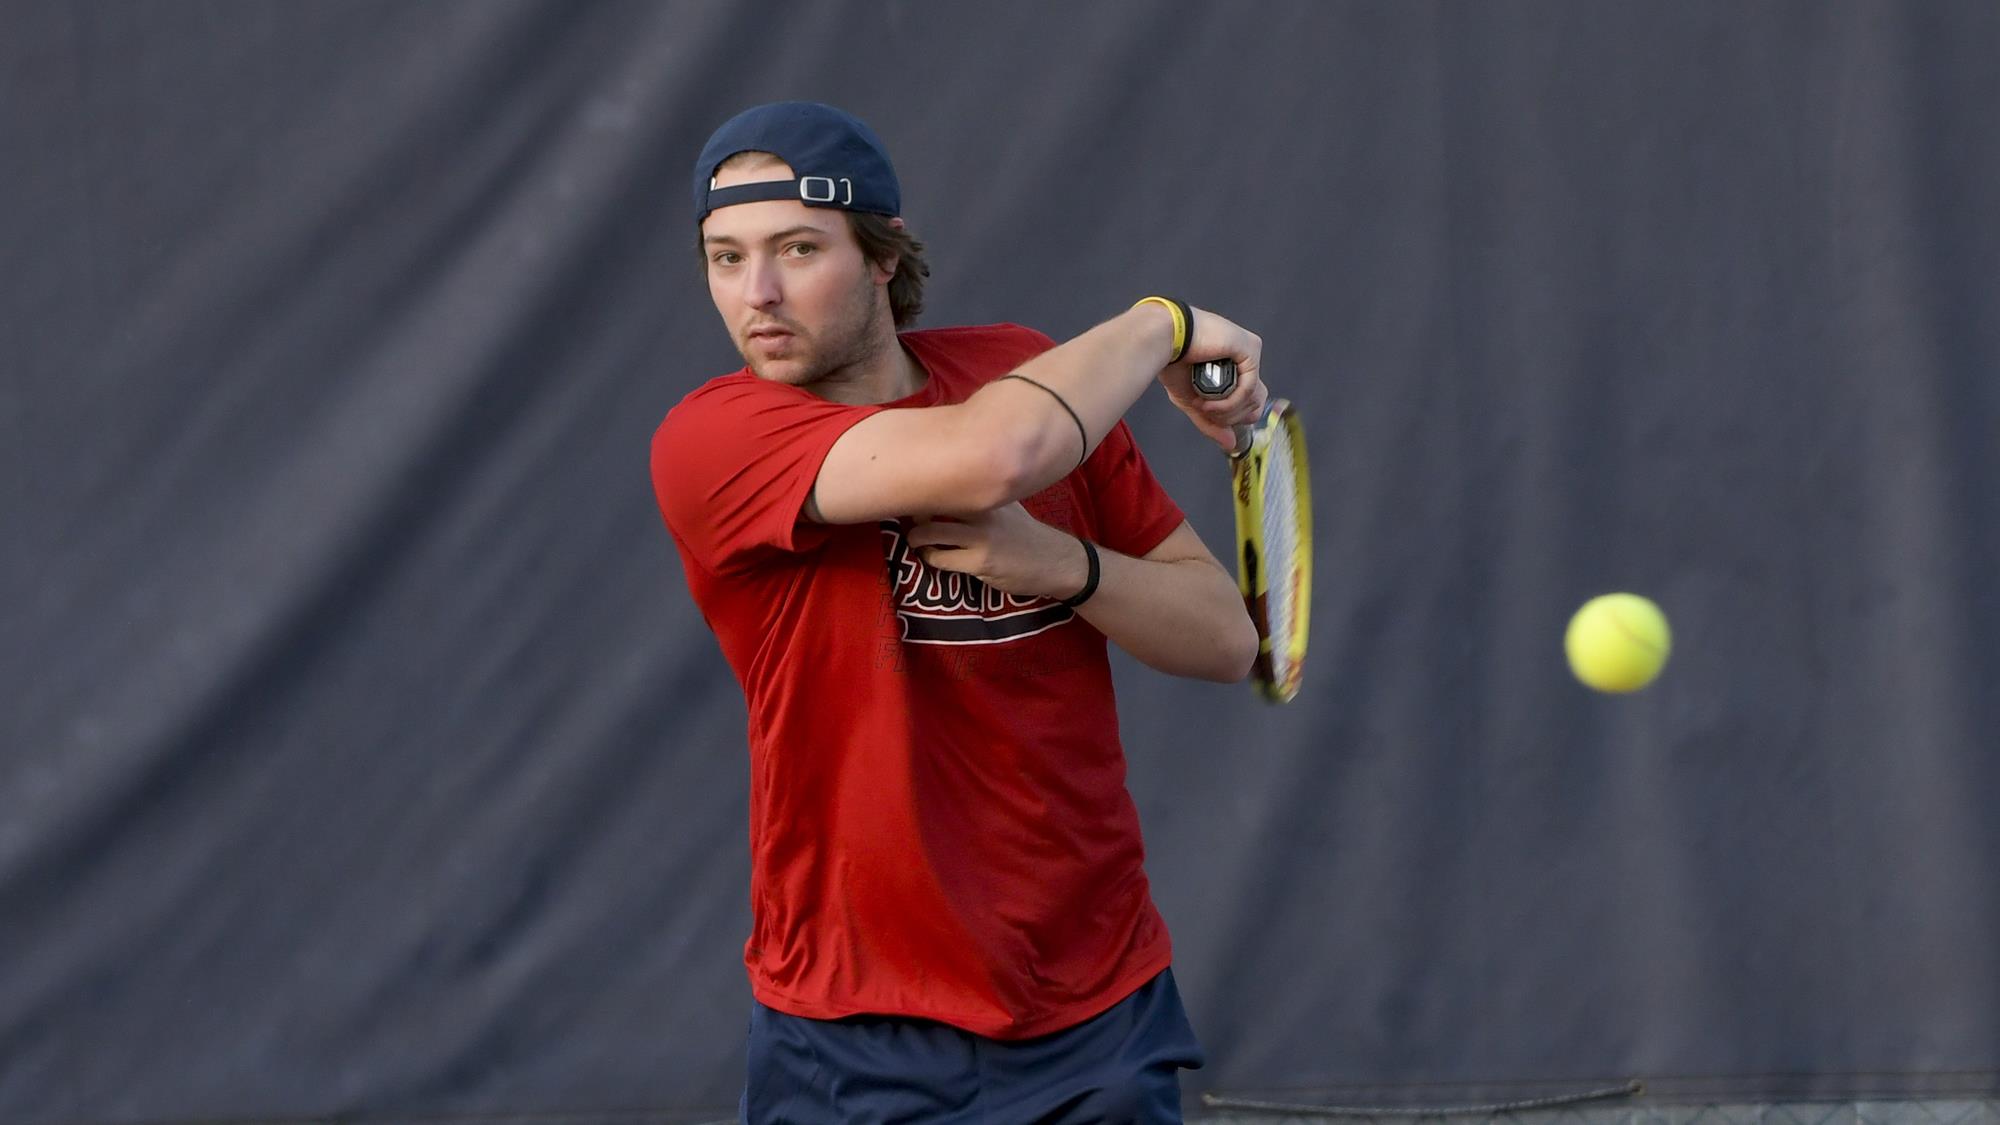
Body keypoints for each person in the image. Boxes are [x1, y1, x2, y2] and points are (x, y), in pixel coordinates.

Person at [650, 101, 1267, 1124]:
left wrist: (1061, 565)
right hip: (853, 1025)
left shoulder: (1020, 374)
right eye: (724, 258)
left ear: (883, 257)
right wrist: (1163, 322)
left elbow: (1223, 638)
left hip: (1095, 1004)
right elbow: (993, 456)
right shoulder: (714, 438)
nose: (756, 294)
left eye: (798, 250)